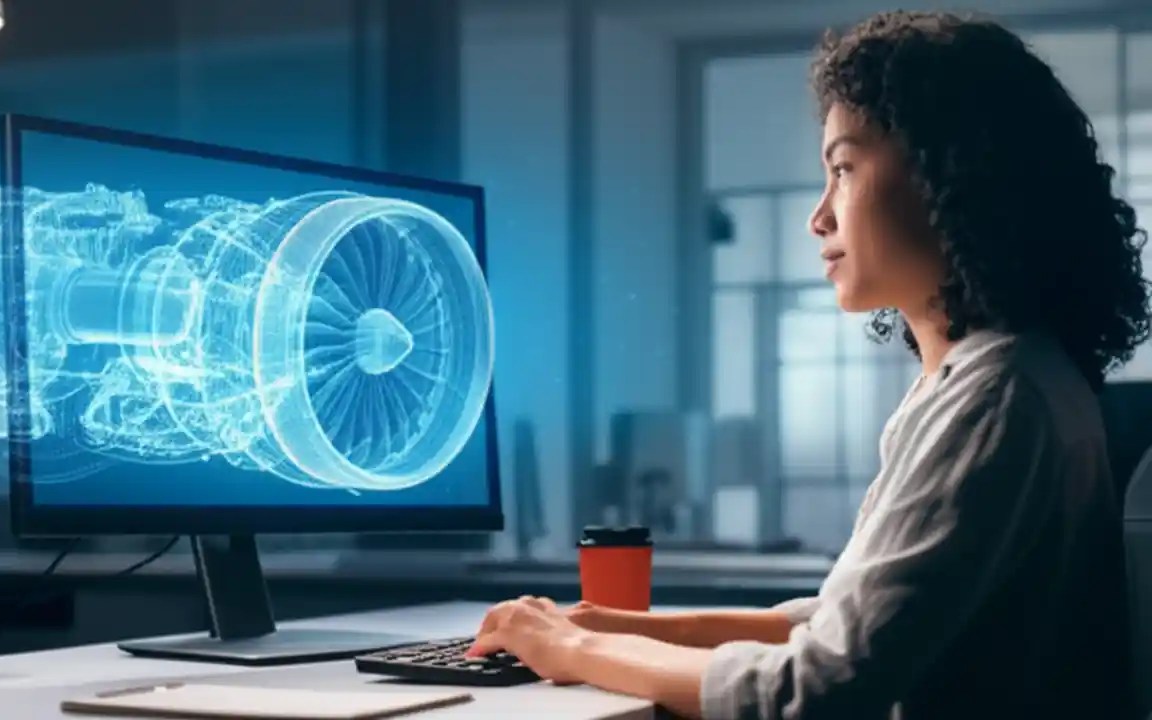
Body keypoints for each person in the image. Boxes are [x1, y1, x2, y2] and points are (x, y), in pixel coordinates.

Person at [467, 10, 1151, 719]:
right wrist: (608, 626)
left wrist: (574, 654)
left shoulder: (996, 396)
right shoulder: (999, 378)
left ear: (952, 172)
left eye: (845, 168)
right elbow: (834, 624)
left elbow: (818, 687)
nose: (817, 216)